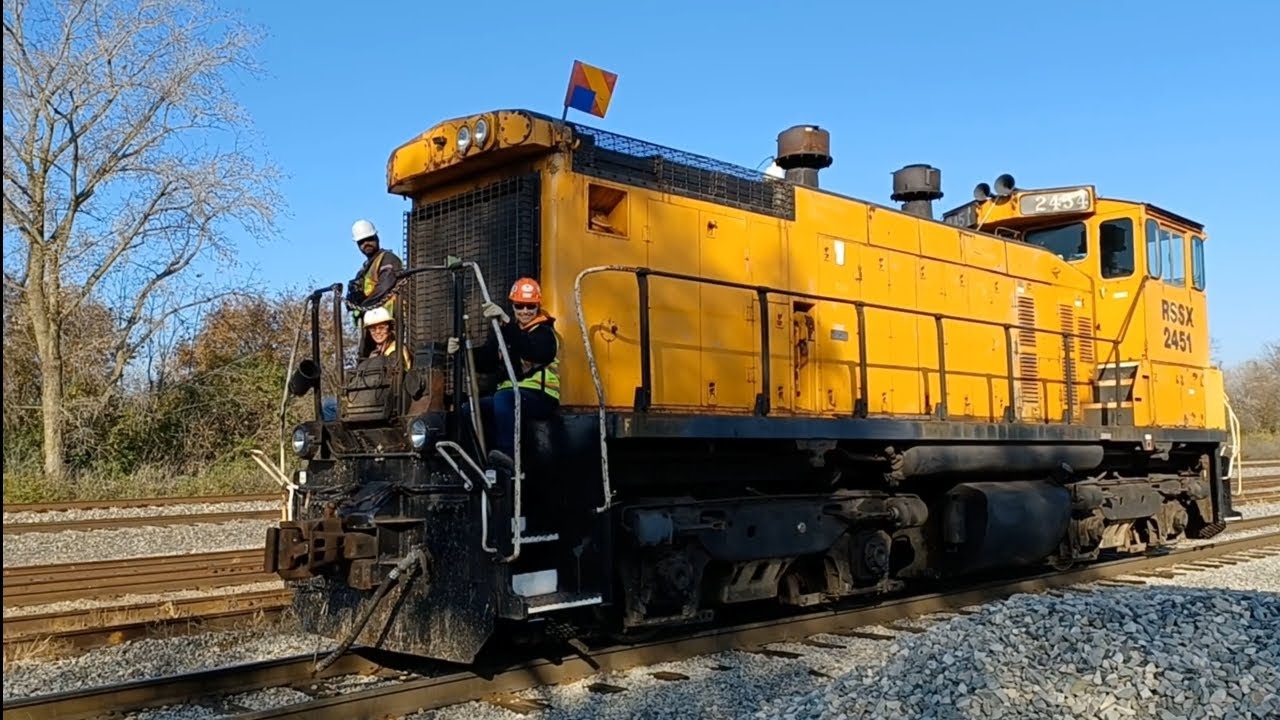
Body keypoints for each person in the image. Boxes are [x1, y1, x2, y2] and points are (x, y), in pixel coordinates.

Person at [450, 277, 560, 468]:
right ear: (513, 305)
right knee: (469, 409)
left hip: (541, 396)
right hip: (512, 395)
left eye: (530, 306)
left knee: (503, 398)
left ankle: (507, 456)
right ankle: (479, 460)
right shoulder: (507, 332)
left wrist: (507, 324)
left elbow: (531, 350)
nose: (525, 311)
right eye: (520, 306)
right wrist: (459, 351)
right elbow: (487, 361)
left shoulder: (545, 332)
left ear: (538, 306)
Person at [346, 219, 403, 329]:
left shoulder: (388, 258)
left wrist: (362, 307)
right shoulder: (364, 269)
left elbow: (384, 286)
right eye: (361, 242)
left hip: (389, 319)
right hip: (372, 320)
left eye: (369, 239)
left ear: (377, 237)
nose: (366, 244)